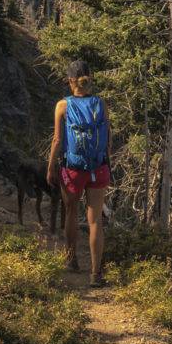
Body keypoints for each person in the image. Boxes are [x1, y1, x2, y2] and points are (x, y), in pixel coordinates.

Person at [47, 60, 111, 287]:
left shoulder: (62, 105)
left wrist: (51, 167)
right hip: (98, 168)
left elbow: (57, 140)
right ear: (89, 78)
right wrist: (104, 162)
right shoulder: (100, 104)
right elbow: (108, 137)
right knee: (95, 222)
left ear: (70, 80)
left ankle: (71, 260)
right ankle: (96, 274)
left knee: (71, 211)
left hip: (73, 168)